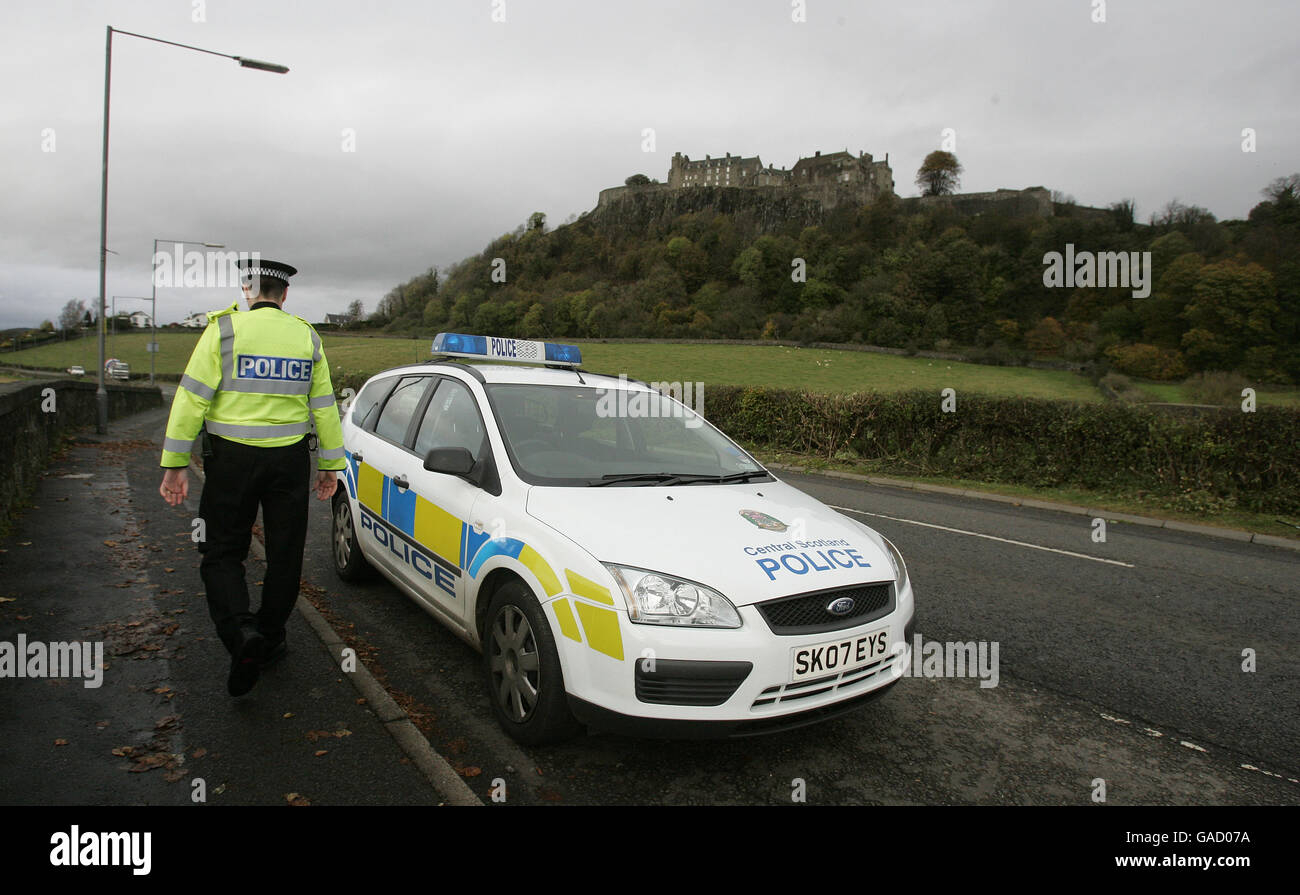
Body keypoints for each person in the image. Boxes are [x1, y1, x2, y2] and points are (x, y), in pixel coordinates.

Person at [158, 259, 345, 696]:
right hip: (290, 462)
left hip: (231, 462)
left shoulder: (224, 330)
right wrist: (330, 468)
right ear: (284, 296)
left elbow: (190, 400)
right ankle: (272, 636)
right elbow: (325, 406)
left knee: (222, 551)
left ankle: (242, 633)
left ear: (248, 290)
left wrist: (175, 462)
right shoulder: (307, 336)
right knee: (285, 552)